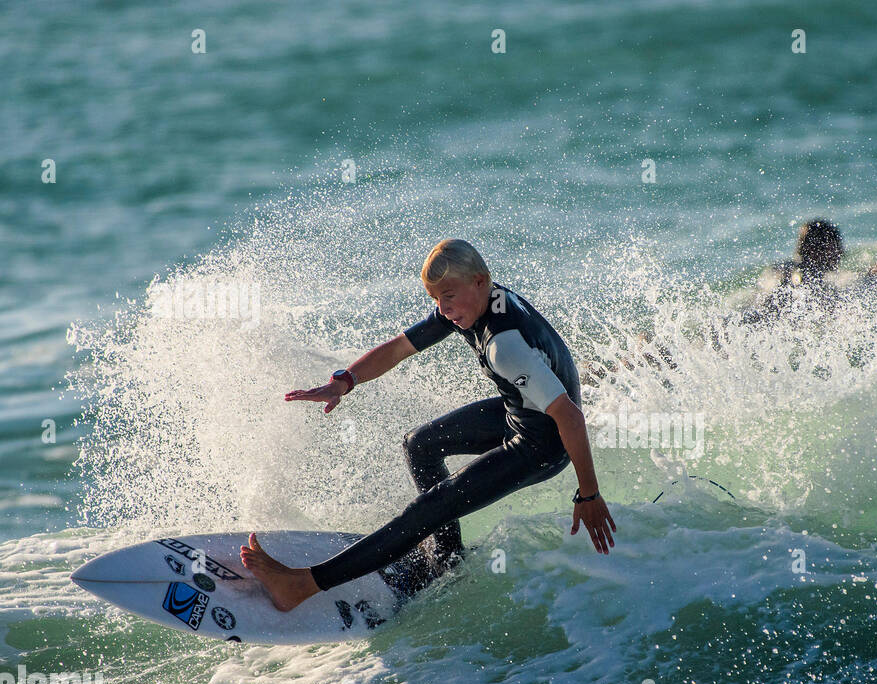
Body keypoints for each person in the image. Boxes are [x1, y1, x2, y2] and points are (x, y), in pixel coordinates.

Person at [239, 239, 616, 612]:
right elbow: (400, 347)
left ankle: (303, 585)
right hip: (520, 412)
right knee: (420, 443)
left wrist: (589, 494)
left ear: (480, 281)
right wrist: (345, 381)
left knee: (431, 507)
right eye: (436, 298)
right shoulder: (474, 304)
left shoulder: (505, 346)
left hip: (544, 443)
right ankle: (447, 559)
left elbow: (569, 415)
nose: (443, 308)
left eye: (448, 296)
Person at [739, 219, 877, 325]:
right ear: (813, 249)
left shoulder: (777, 268)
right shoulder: (808, 275)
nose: (841, 253)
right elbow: (863, 279)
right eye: (835, 247)